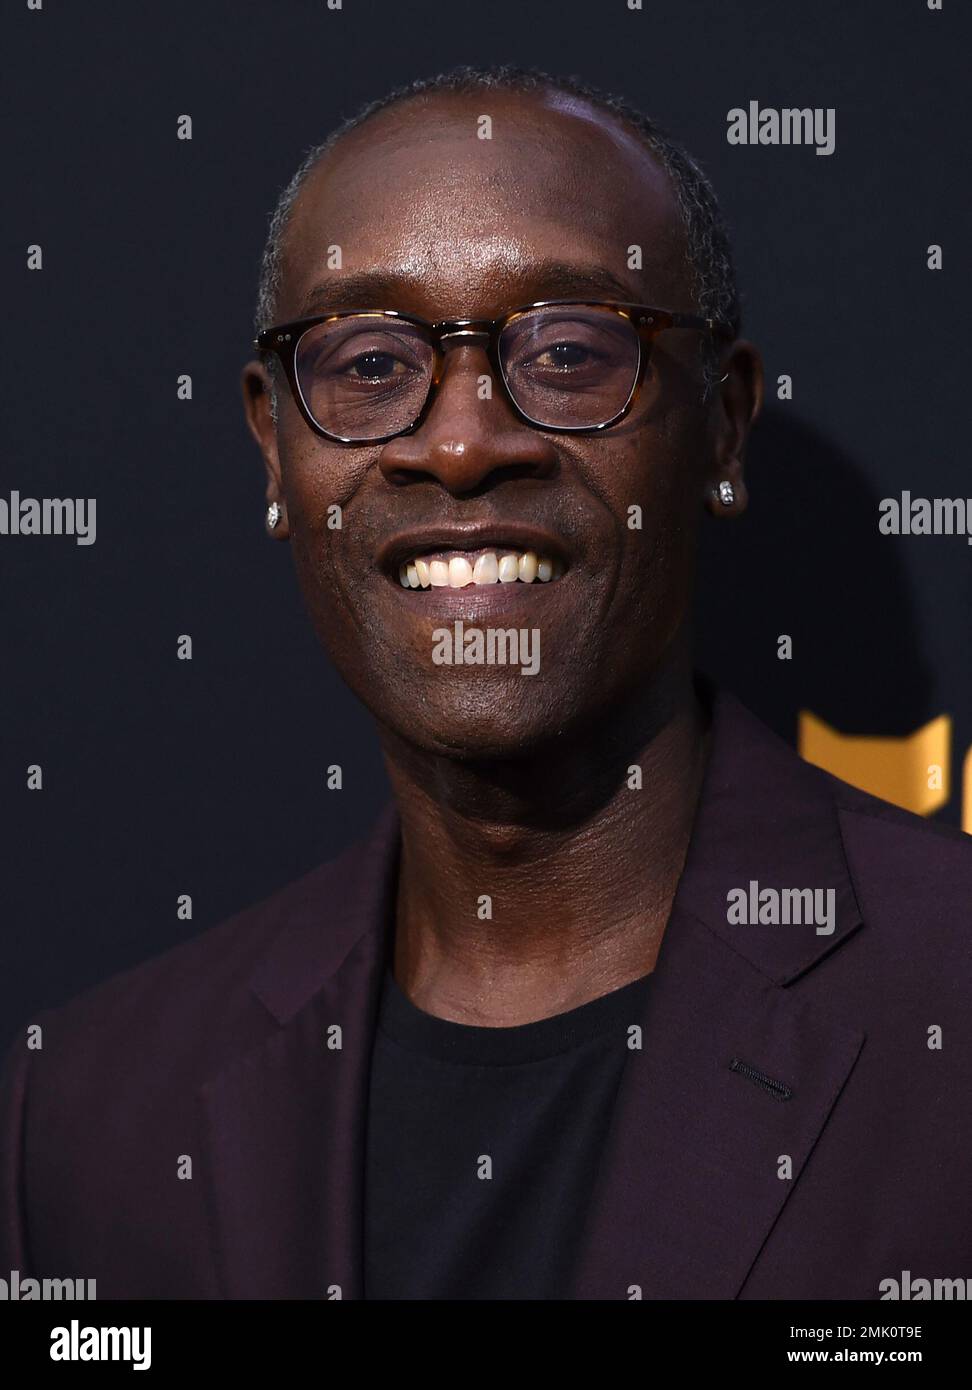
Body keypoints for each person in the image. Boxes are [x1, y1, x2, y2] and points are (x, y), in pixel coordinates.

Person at [2, 65, 970, 1301]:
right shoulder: (86, 1116)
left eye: (568, 350)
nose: (460, 443)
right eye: (366, 364)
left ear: (722, 428)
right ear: (274, 447)